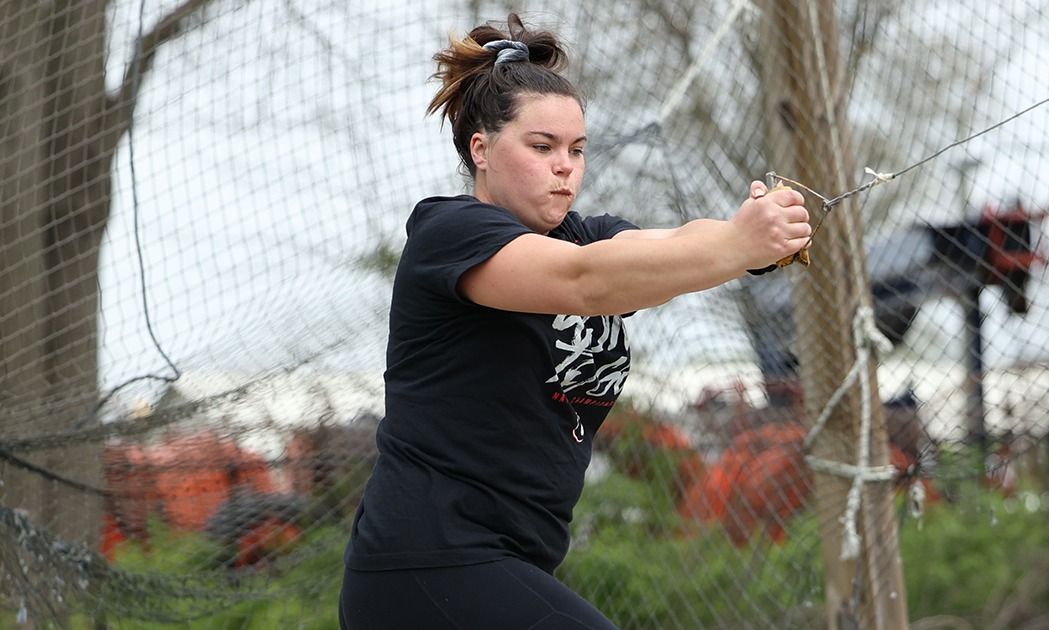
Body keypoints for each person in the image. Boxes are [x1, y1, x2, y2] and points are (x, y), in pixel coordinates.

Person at [339, 13, 810, 630]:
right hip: (427, 564)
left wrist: (745, 238)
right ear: (481, 150)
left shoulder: (586, 235)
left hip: (508, 564)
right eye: (542, 147)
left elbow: (669, 247)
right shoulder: (449, 233)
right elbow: (583, 282)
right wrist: (737, 248)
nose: (565, 165)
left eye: (577, 149)